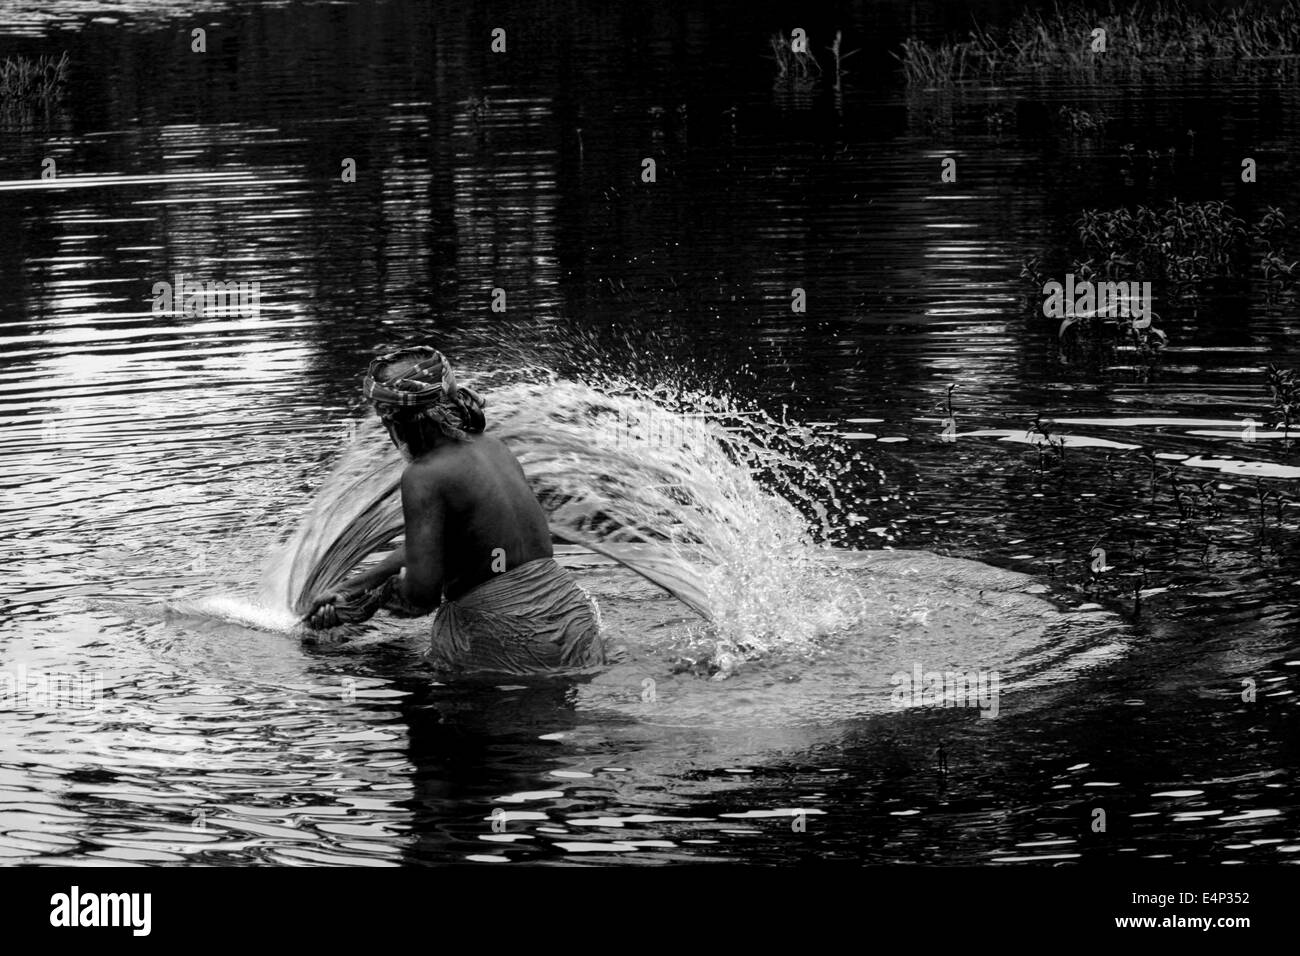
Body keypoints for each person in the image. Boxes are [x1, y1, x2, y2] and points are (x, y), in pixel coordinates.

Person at [301, 346, 605, 676]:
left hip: (510, 636)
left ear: (395, 424)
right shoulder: (493, 447)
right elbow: (435, 549)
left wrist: (363, 604)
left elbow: (422, 595)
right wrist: (353, 587)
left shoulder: (423, 476)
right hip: (573, 618)